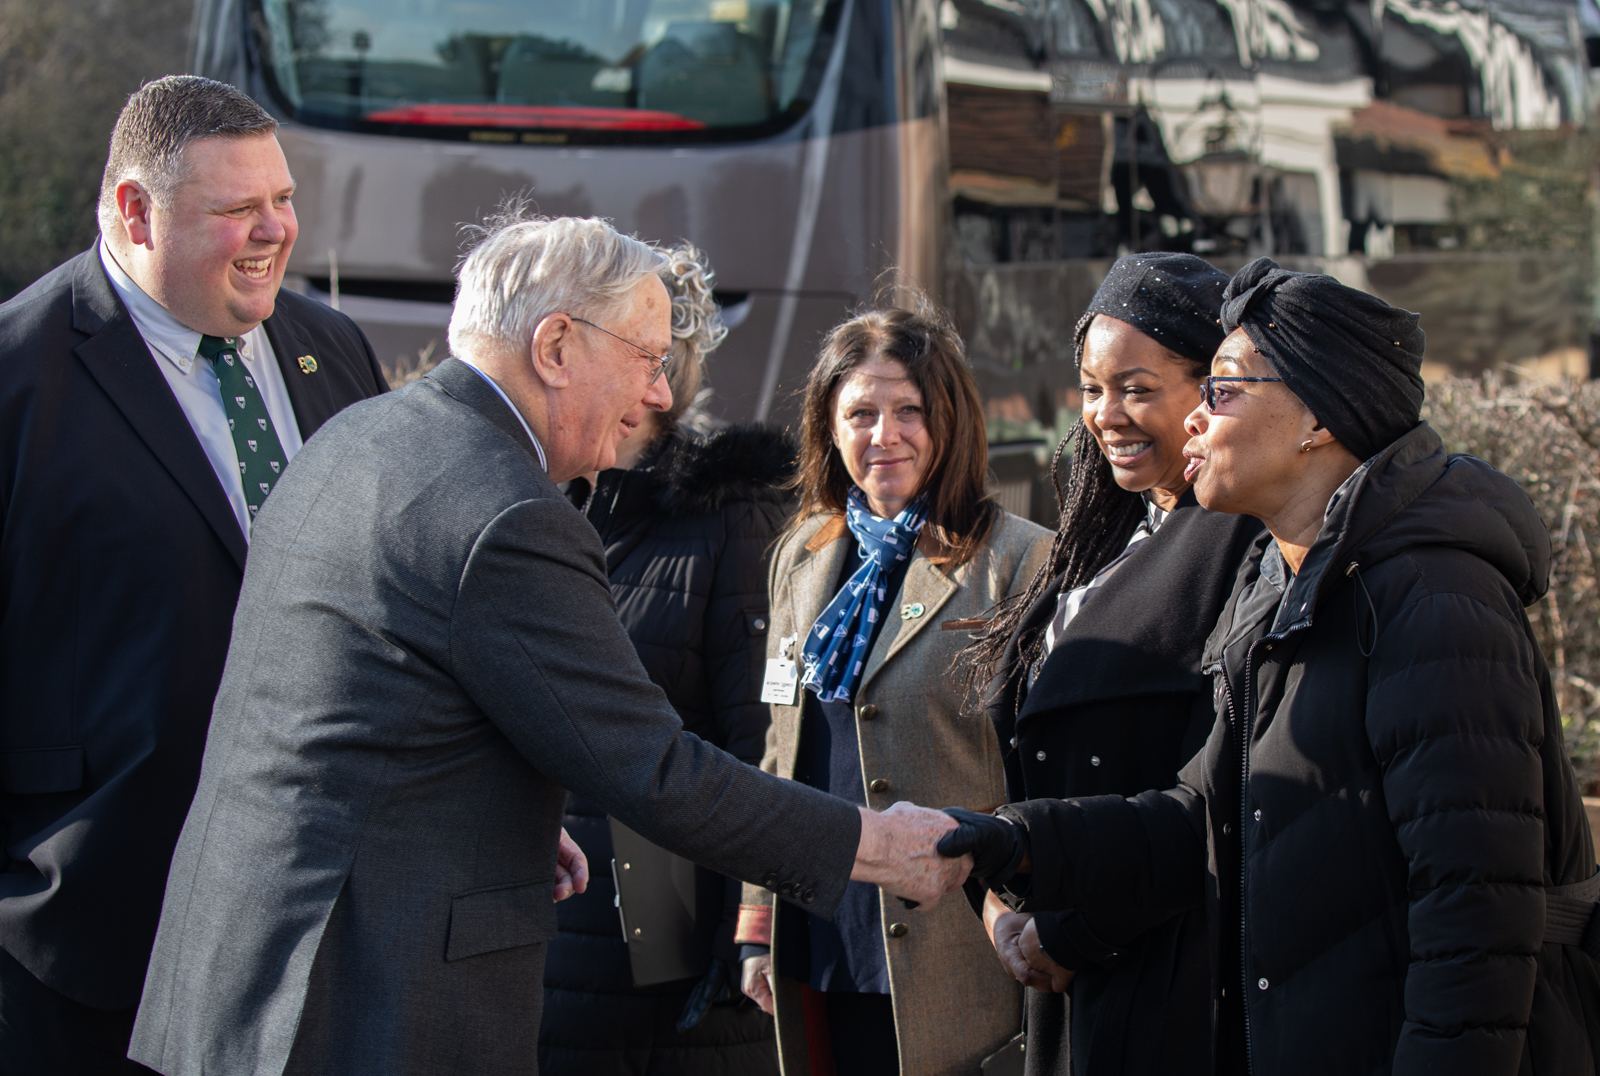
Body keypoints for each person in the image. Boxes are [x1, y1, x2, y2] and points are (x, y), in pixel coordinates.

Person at [129, 211, 971, 1076]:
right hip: (363, 1003)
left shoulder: (357, 436)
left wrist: (501, 811)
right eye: (647, 360)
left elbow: (357, 706)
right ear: (557, 346)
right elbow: (654, 769)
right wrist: (876, 846)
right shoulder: (509, 511)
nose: (658, 396)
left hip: (242, 977)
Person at [948, 257, 1600, 1074]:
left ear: (1316, 419)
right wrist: (1010, 840)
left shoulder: (1435, 600)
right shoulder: (1280, 585)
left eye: (1219, 391)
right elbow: (1200, 817)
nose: (1194, 421)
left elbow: (1476, 920)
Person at [0, 75, 388, 1074]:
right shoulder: (18, 378)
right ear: (135, 212)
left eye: (284, 200)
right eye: (237, 210)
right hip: (88, 937)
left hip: (317, 926)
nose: (274, 231)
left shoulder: (329, 347)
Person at [962, 254, 1263, 1076]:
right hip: (1060, 977)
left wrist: (1071, 932)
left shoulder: (1247, 544)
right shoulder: (1100, 538)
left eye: (1136, 389)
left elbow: (1221, 794)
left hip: (1170, 981)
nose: (1106, 416)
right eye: (1093, 390)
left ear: (1211, 392)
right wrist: (999, 901)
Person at [736, 303, 1052, 1076]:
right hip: (818, 928)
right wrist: (756, 925)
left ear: (948, 420)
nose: (885, 435)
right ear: (829, 426)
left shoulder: (1018, 562)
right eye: (861, 413)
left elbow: (1042, 770)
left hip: (956, 945)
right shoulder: (802, 555)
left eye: (909, 410)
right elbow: (780, 748)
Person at [540, 243, 791, 1074]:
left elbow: (763, 741)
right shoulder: (539, 503)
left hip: (670, 958)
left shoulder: (732, 518)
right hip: (535, 929)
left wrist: (746, 938)